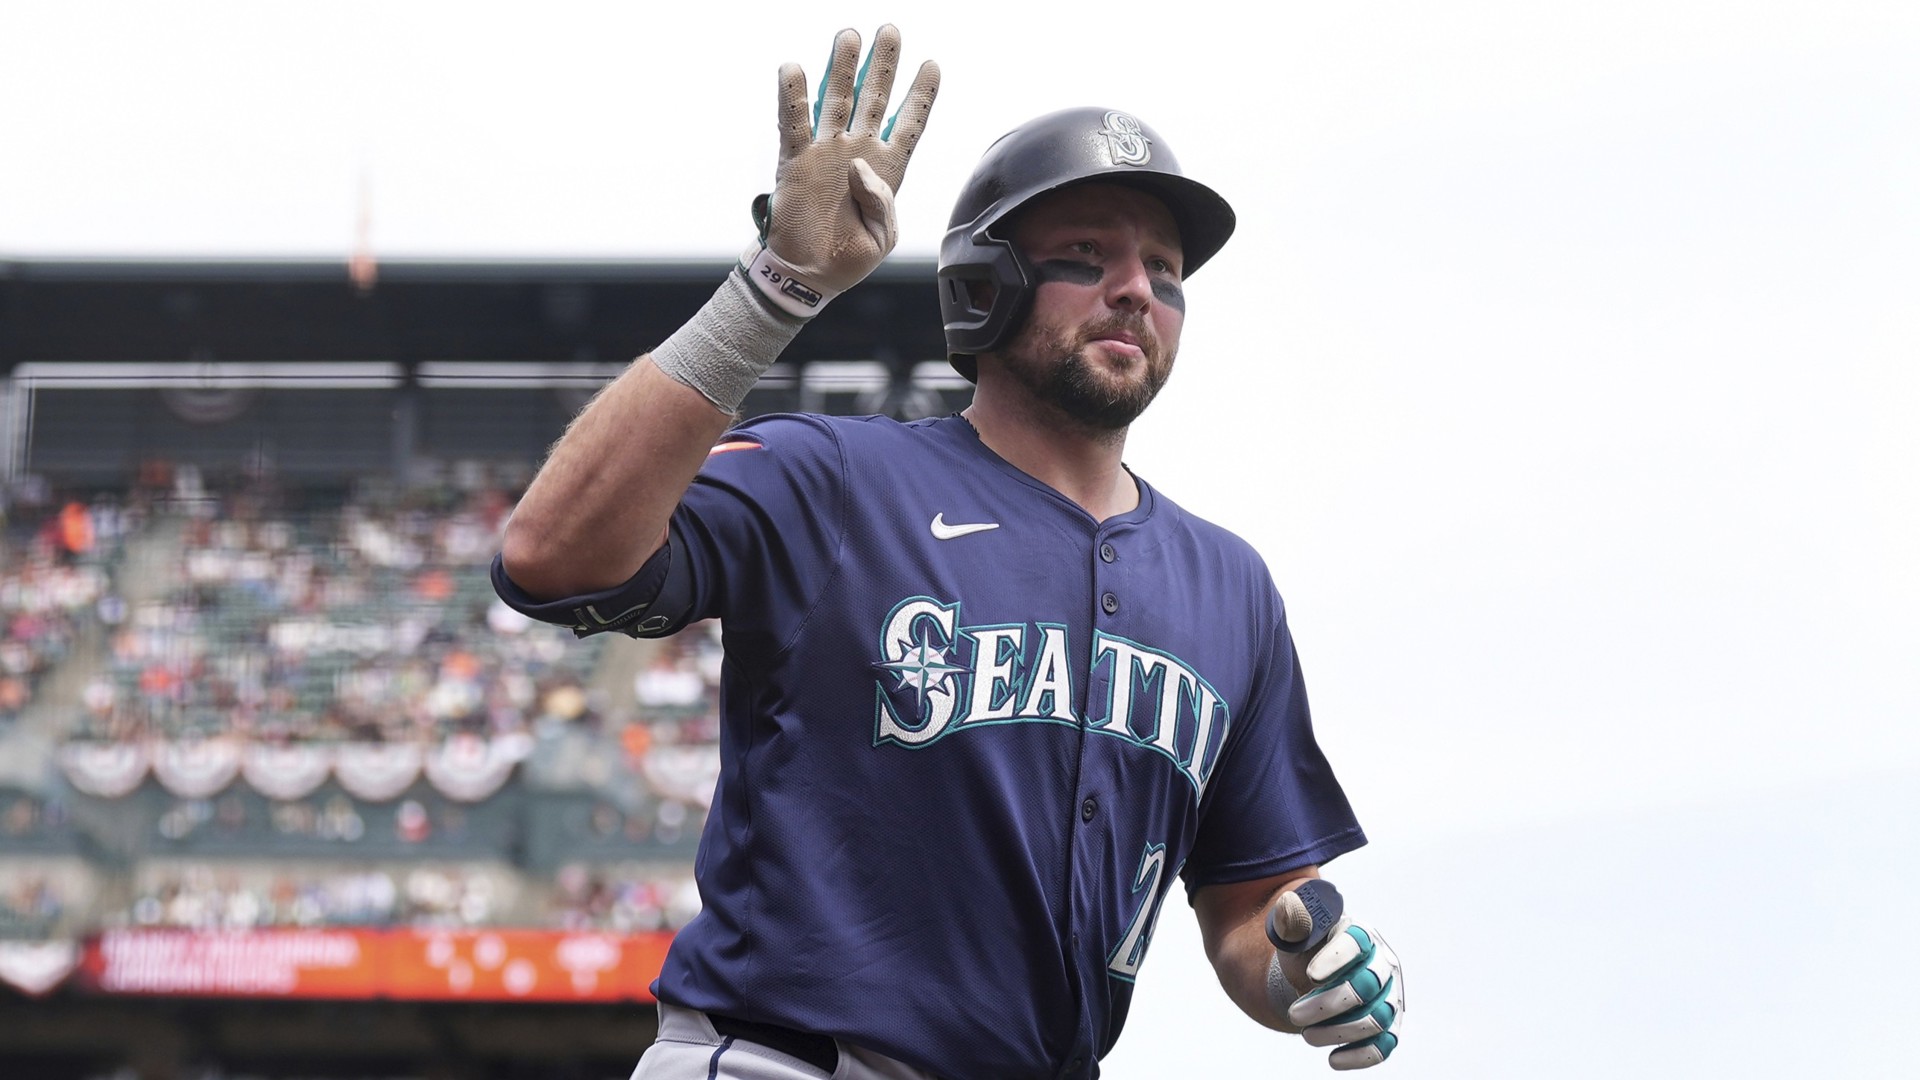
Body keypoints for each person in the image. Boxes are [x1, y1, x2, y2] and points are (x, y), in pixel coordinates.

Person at [494, 24, 1404, 1080]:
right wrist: (776, 283)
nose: (1136, 290)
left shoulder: (1231, 587)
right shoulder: (834, 478)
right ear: (985, 284)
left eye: (1164, 269)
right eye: (1085, 257)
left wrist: (1306, 974)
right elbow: (553, 554)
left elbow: (1250, 908)